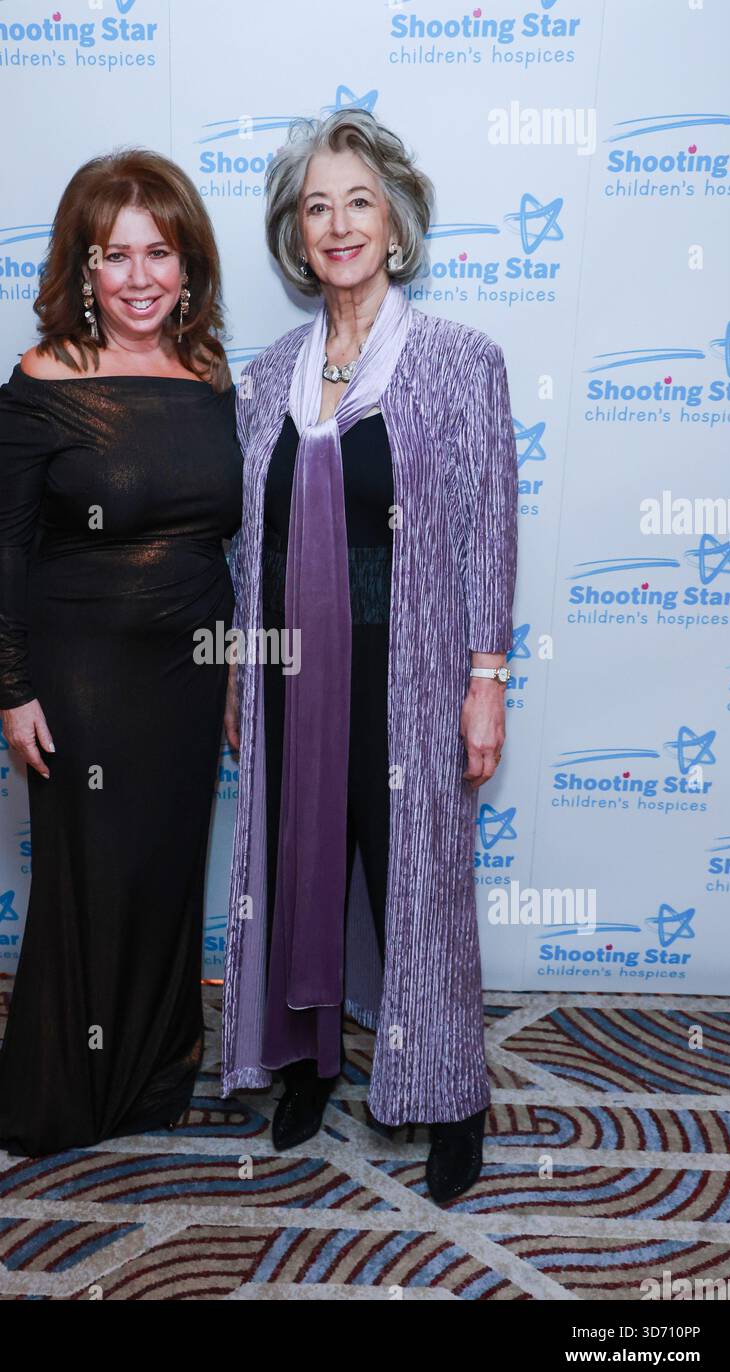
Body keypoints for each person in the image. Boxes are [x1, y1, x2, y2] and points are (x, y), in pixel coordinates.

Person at [220, 108, 518, 1204]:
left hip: (410, 677)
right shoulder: (267, 379)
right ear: (295, 238)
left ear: (394, 224)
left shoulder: (457, 362)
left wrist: (484, 683)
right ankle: (306, 1065)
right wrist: (245, 673)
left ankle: (451, 1097)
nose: (336, 223)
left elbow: (488, 529)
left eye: (357, 200)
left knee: (418, 886)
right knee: (301, 870)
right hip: (294, 676)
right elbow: (254, 540)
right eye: (314, 205)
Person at [0, 149, 242, 1157]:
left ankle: (155, 1068)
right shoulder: (44, 381)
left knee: (166, 871)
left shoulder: (208, 380)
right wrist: (13, 686)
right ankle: (65, 1086)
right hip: (80, 678)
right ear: (80, 268)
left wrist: (234, 667)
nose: (138, 277)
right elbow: (5, 545)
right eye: (113, 255)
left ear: (187, 263)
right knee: (90, 878)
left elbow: (219, 541)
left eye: (157, 251)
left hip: (189, 670)